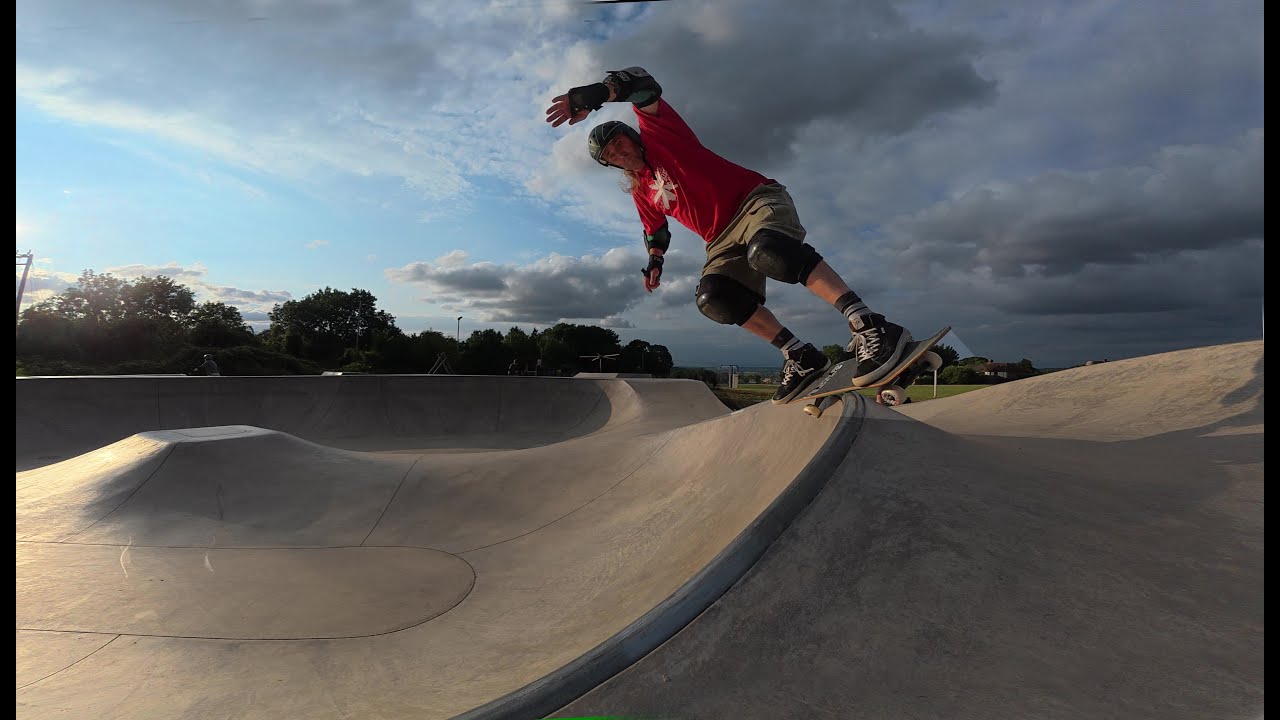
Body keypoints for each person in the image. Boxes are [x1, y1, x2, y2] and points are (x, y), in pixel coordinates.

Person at [545, 66, 914, 404]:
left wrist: (596, 94)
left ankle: (870, 325)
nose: (620, 153)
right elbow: (655, 230)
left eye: (619, 143)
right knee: (714, 298)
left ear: (631, 137)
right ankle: (801, 356)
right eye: (611, 155)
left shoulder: (659, 135)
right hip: (719, 239)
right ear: (610, 165)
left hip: (754, 200)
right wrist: (654, 263)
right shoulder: (641, 190)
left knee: (768, 251)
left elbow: (643, 86)